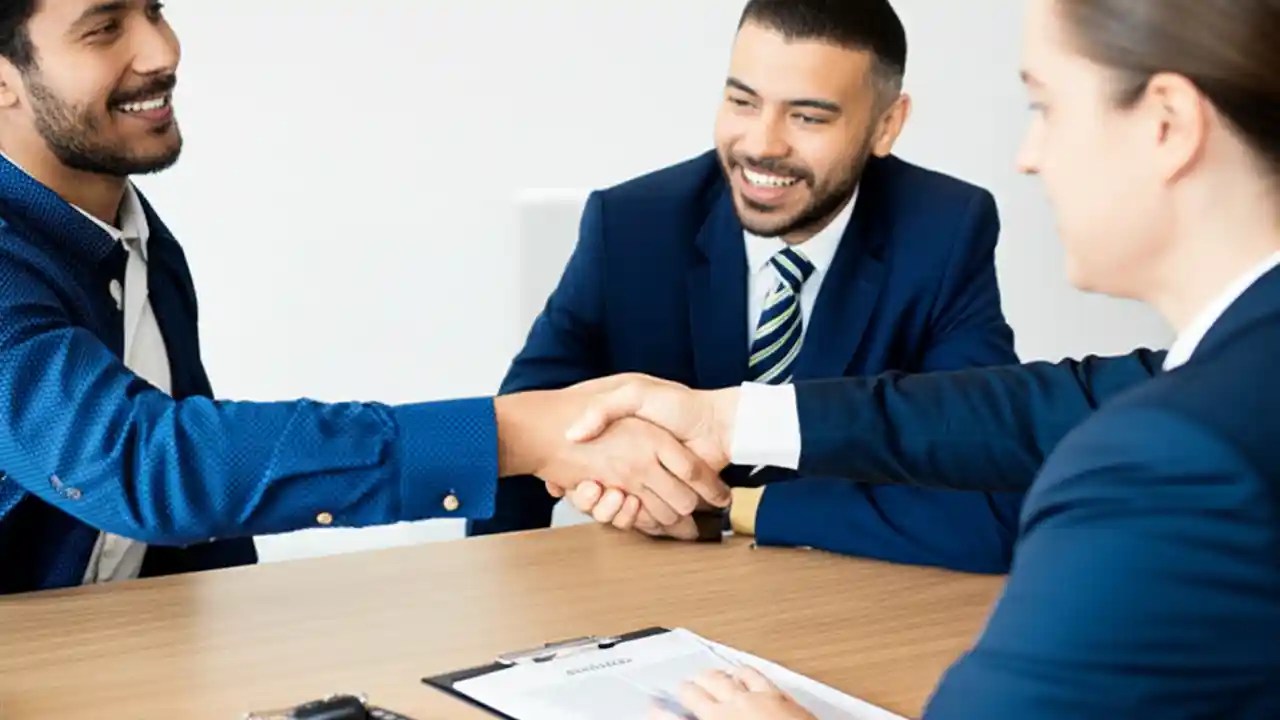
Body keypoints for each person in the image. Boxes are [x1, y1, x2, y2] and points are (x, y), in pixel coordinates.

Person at [575, 0, 1280, 716]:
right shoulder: (1230, 374)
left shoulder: (1170, 456)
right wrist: (729, 420)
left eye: (1047, 107)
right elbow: (1031, 408)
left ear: (1168, 123)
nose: (1028, 157)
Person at [0, 0, 728, 596]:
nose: (160, 49)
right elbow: (148, 464)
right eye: (103, 28)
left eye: (155, 10)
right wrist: (520, 434)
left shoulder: (128, 233)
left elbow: (183, 529)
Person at [472, 0, 1024, 574]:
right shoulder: (631, 226)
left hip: (857, 594)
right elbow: (516, 437)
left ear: (886, 125)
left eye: (807, 117)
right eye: (742, 101)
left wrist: (736, 508)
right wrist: (501, 603)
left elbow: (993, 504)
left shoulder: (944, 231)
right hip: (654, 593)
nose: (762, 145)